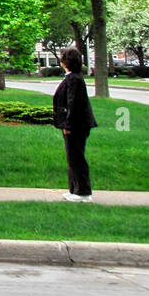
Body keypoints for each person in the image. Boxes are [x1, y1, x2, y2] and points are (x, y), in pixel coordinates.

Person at [52, 46, 98, 202]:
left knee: (76, 157)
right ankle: (74, 189)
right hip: (77, 124)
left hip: (77, 126)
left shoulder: (74, 79)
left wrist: (68, 126)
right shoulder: (73, 77)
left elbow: (74, 104)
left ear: (66, 61)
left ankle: (83, 192)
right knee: (72, 157)